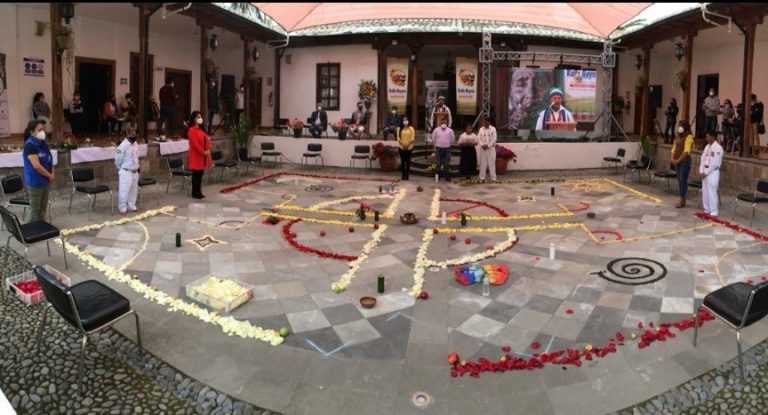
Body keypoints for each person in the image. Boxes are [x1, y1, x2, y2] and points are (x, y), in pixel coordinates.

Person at [22, 119, 54, 223]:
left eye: (43, 130)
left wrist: (52, 172)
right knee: (35, 208)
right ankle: (32, 230)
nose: (43, 132)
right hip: (35, 181)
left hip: (45, 180)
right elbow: (36, 166)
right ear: (32, 132)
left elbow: (49, 158)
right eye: (40, 130)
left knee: (43, 206)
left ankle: (41, 226)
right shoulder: (30, 145)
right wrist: (49, 175)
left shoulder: (43, 143)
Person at [115, 127, 140, 215]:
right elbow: (118, 160)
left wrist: (137, 167)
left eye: (134, 134)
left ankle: (131, 205)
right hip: (126, 171)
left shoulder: (136, 144)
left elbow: (137, 156)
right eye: (132, 134)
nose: (134, 136)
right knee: (124, 190)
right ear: (127, 135)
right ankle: (122, 208)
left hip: (135, 170)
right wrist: (122, 169)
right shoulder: (122, 146)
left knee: (133, 190)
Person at [187, 111, 211, 200]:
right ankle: (195, 192)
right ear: (194, 119)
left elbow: (207, 140)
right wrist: (203, 152)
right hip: (196, 155)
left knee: (200, 174)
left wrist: (208, 149)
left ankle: (199, 191)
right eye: (198, 117)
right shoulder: (191, 130)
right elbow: (195, 144)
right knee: (196, 175)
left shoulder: (202, 130)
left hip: (203, 156)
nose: (200, 118)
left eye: (200, 116)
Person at [670, 120, 694, 209]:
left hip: (684, 162)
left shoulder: (689, 137)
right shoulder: (678, 136)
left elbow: (686, 151)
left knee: (683, 180)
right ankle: (682, 198)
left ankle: (682, 198)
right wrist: (672, 157)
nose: (679, 127)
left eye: (680, 125)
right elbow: (674, 147)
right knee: (679, 180)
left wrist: (678, 160)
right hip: (677, 161)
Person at [699, 130, 723, 217]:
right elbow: (703, 159)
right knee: (705, 191)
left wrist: (705, 172)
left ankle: (714, 211)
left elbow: (714, 163)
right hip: (704, 172)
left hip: (713, 172)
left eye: (708, 136)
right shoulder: (707, 147)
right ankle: (707, 209)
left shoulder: (718, 148)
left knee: (712, 191)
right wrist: (701, 171)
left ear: (713, 137)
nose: (706, 138)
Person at [477, 117, 498, 182]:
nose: (486, 123)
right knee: (483, 163)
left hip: (491, 148)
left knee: (492, 163)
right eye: (485, 121)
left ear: (489, 122)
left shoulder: (493, 129)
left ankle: (493, 178)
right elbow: (479, 138)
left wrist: (488, 146)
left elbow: (494, 138)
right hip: (483, 148)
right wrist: (482, 145)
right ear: (483, 122)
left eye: (487, 122)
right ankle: (482, 177)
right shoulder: (481, 129)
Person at [397, 116, 415, 180]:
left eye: (406, 120)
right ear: (402, 122)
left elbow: (412, 138)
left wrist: (408, 145)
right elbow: (398, 138)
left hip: (409, 147)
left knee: (408, 162)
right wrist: (403, 145)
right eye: (404, 120)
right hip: (401, 147)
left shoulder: (411, 128)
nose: (405, 121)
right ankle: (403, 175)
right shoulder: (399, 129)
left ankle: (407, 176)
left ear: (408, 121)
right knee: (402, 161)